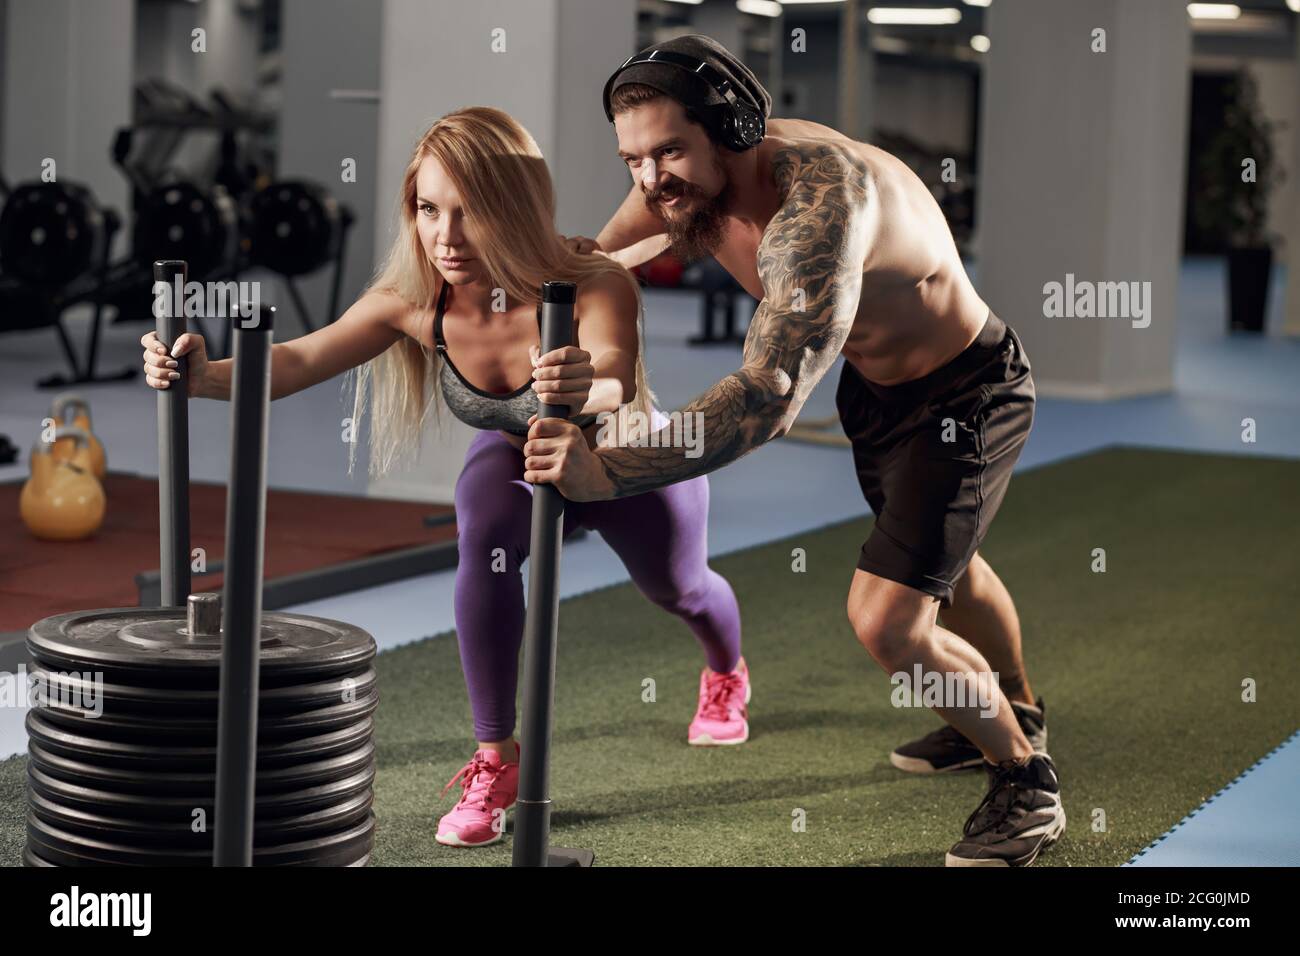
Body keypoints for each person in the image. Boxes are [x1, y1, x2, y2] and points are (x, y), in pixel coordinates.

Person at [140, 106, 749, 851]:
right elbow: (295, 361)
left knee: (680, 589)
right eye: (429, 209)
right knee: (484, 526)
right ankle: (497, 758)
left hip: (624, 459)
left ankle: (726, 671)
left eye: (471, 212)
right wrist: (202, 376)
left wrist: (584, 383)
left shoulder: (590, 279)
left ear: (514, 209)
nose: (446, 236)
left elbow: (616, 377)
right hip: (521, 455)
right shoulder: (416, 304)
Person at [538, 35, 1061, 867]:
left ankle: (1026, 779)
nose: (649, 177)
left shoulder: (819, 205)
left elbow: (765, 399)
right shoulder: (688, 185)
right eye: (633, 157)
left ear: (733, 130)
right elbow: (627, 236)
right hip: (876, 393)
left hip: (965, 394)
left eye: (670, 149)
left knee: (887, 622)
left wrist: (611, 472)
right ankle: (1018, 708)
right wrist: (567, 269)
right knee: (948, 572)